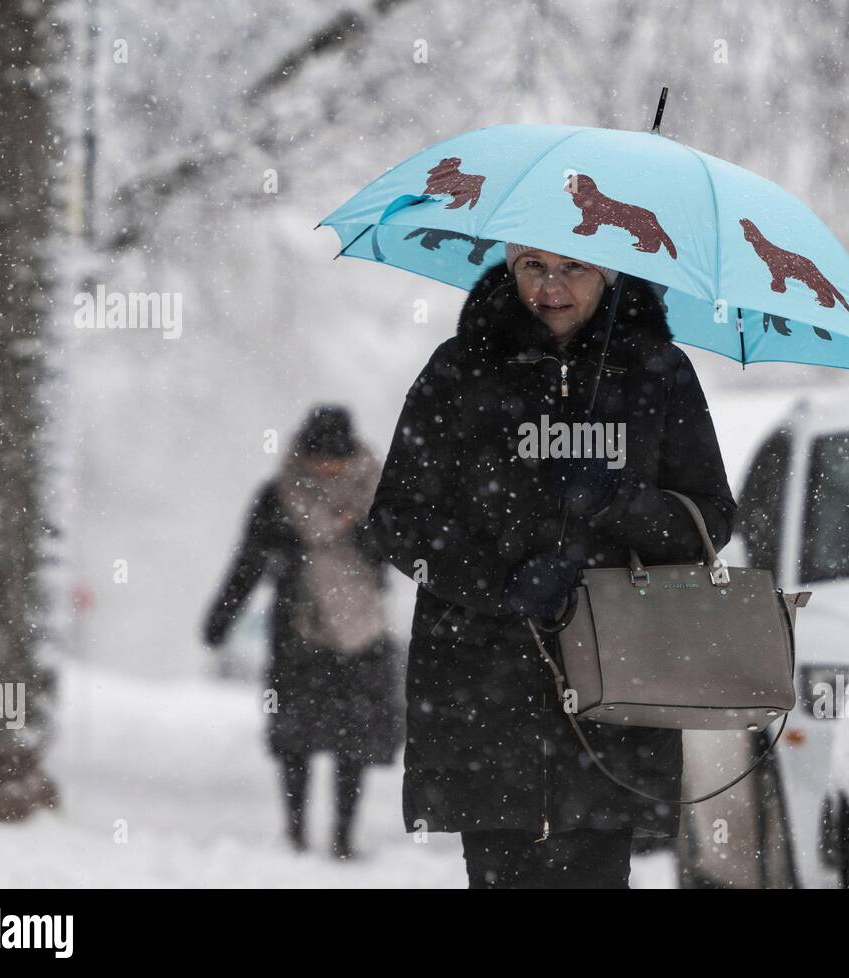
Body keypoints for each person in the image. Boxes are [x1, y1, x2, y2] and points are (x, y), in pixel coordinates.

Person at [363, 244, 736, 888]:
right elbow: (398, 517)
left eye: (575, 268)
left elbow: (712, 520)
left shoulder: (656, 372)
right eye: (533, 265)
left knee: (596, 870)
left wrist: (616, 502)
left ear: (609, 273)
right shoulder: (462, 370)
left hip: (616, 683)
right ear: (510, 268)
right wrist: (497, 584)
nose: (551, 286)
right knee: (499, 869)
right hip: (481, 686)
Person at [202, 405, 399, 860]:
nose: (326, 468)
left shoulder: (379, 494)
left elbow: (402, 551)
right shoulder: (277, 497)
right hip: (298, 631)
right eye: (318, 459)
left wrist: (364, 529)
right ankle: (294, 833)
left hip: (361, 632)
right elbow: (248, 561)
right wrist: (222, 617)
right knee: (296, 738)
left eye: (334, 459)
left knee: (353, 739)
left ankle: (344, 836)